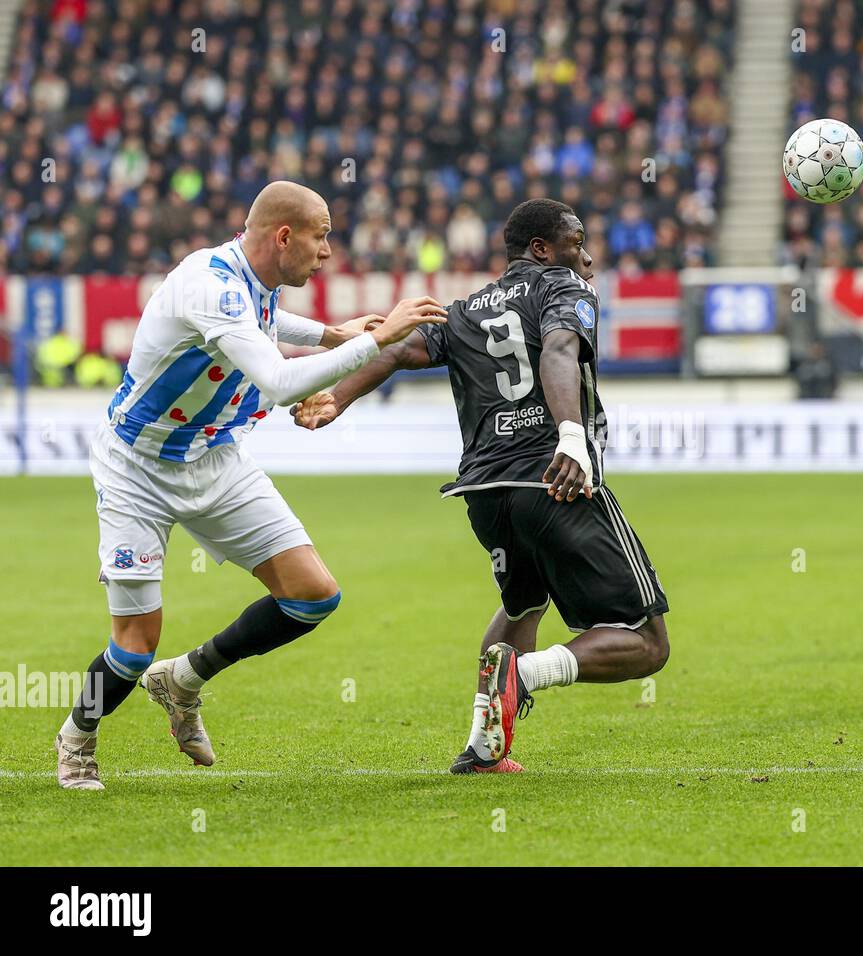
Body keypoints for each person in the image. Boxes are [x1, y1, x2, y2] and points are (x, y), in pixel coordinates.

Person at [55, 181, 445, 790]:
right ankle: (77, 738)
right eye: (321, 237)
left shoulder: (251, 281)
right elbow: (277, 379)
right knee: (133, 646)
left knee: (313, 595)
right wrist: (376, 338)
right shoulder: (207, 284)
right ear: (284, 236)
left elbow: (266, 317)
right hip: (139, 469)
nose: (327, 252)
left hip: (214, 457)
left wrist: (330, 334)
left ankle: (183, 678)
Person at [291, 198, 669, 772]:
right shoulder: (562, 287)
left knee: (523, 603)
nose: (587, 258)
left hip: (487, 494)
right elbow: (561, 351)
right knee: (646, 643)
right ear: (542, 250)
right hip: (554, 478)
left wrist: (336, 396)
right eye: (576, 242)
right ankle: (524, 673)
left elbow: (397, 349)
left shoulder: (466, 309)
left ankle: (484, 747)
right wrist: (570, 435)